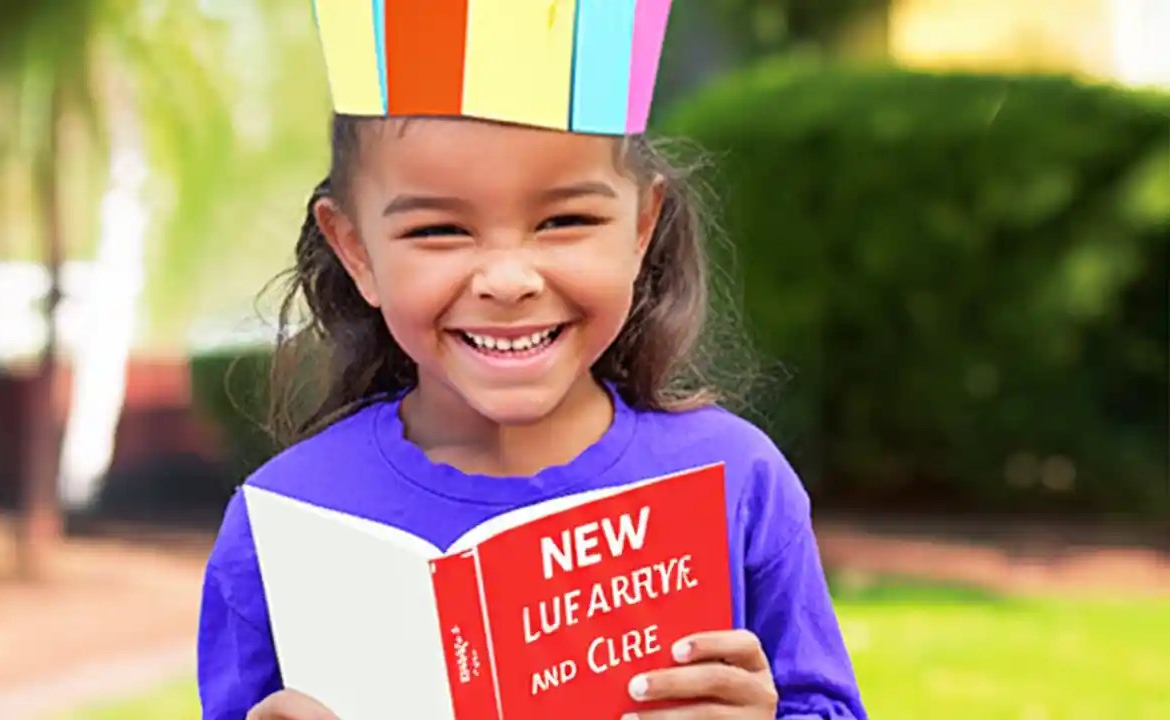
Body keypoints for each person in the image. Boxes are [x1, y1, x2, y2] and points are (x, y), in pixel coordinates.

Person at [199, 3, 867, 719]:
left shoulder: (737, 479)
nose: (509, 279)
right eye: (439, 230)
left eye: (565, 221)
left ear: (642, 226)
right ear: (357, 250)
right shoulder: (283, 524)